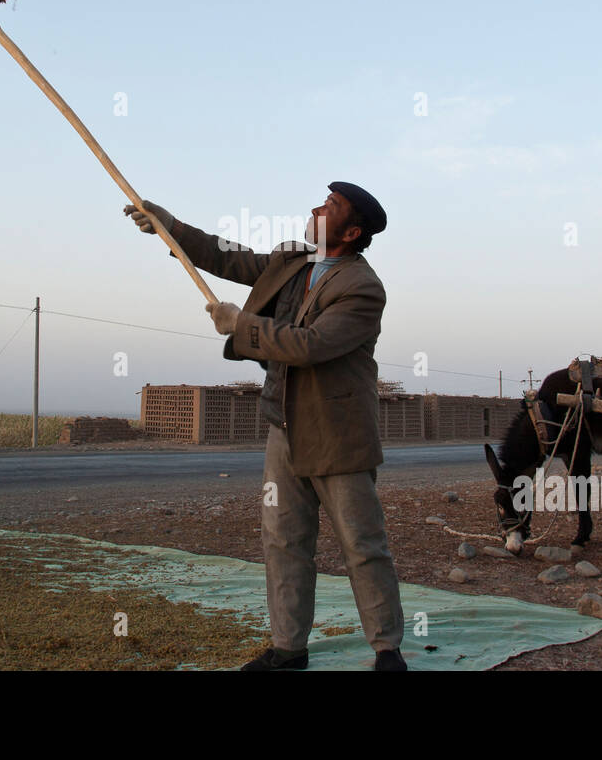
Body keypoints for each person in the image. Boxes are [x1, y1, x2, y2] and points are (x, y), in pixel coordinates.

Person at [124, 183, 406, 671]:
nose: (317, 208)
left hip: (338, 435)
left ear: (352, 231)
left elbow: (310, 345)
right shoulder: (291, 259)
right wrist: (168, 227)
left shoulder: (362, 287)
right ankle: (288, 649)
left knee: (362, 545)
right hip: (283, 427)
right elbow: (227, 256)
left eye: (331, 207)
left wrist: (240, 325)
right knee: (283, 541)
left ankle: (387, 651)